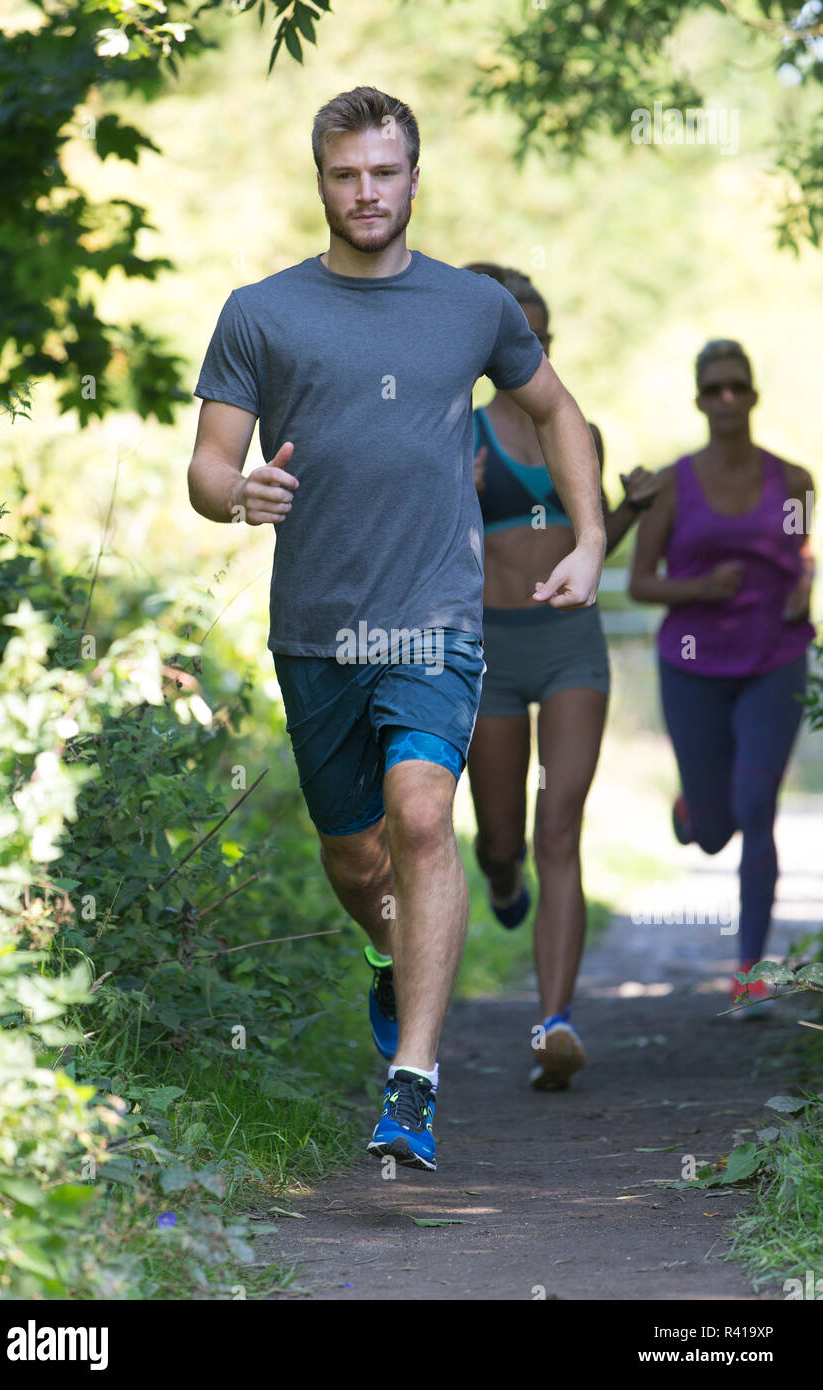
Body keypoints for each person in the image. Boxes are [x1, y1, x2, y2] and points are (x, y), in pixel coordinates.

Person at [187, 86, 605, 1171]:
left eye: (383, 172)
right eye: (344, 174)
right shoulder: (260, 311)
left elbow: (555, 411)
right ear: (319, 179)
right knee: (351, 847)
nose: (364, 192)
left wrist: (590, 539)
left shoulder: (470, 306)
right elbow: (204, 463)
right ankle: (390, 951)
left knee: (421, 817)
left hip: (432, 617)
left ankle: (410, 1082)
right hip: (316, 625)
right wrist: (239, 495)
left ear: (415, 178)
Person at [463, 263, 658, 1088]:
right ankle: (500, 878)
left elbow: (589, 543)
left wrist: (630, 512)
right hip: (491, 649)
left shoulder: (578, 427)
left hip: (571, 645)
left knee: (561, 829)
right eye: (518, 332)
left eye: (541, 333)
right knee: (504, 839)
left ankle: (554, 1025)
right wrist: (456, 498)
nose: (531, 344)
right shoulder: (458, 431)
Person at [630, 339, 816, 1010]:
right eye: (715, 389)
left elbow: (801, 550)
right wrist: (704, 588)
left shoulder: (794, 481)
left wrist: (804, 587)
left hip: (775, 658)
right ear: (699, 400)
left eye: (738, 385)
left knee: (756, 809)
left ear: (755, 394)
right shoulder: (675, 485)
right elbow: (643, 583)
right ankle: (692, 809)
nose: (728, 398)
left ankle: (749, 971)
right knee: (713, 831)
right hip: (692, 662)